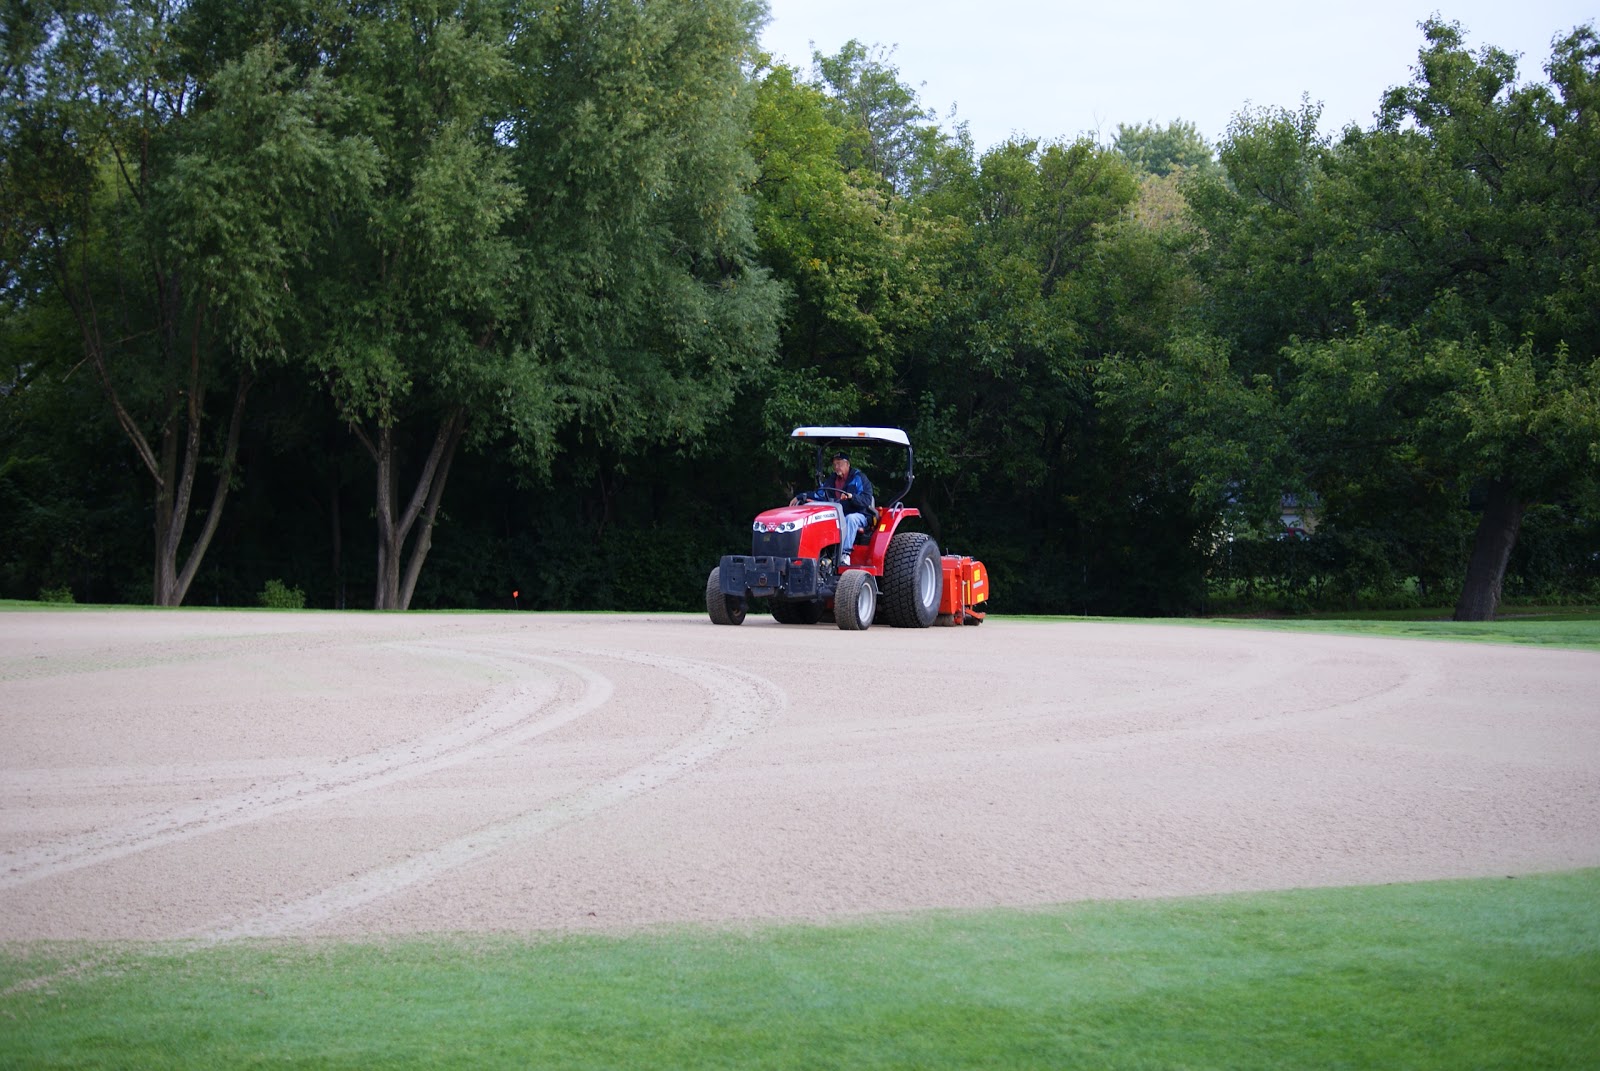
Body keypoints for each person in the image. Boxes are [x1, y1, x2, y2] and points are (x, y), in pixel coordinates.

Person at [791, 451, 875, 565]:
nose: (836, 467)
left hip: (860, 514)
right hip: (838, 514)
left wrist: (852, 497)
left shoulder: (859, 478)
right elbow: (820, 494)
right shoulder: (832, 479)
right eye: (835, 464)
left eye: (839, 464)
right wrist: (801, 496)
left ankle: (845, 555)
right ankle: (816, 555)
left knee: (850, 519)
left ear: (847, 464)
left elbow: (866, 500)